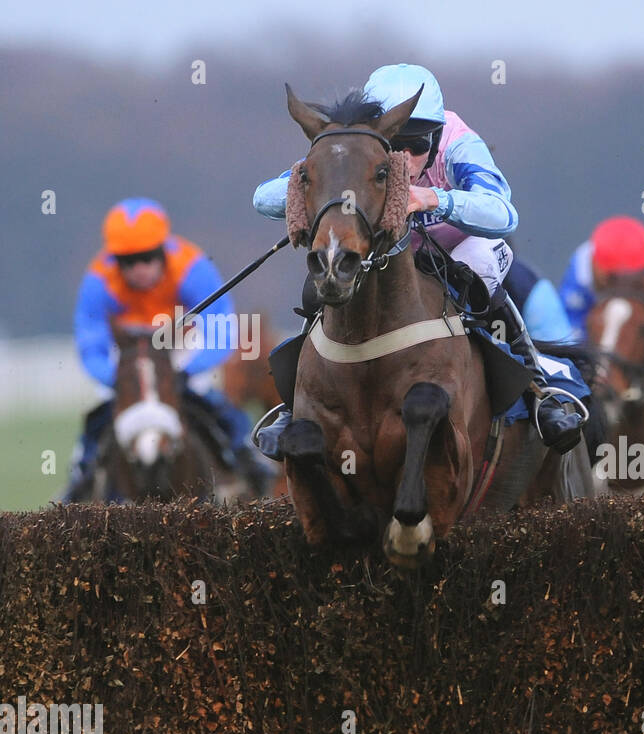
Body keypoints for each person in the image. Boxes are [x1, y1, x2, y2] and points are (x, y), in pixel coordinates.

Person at [252, 63, 583, 456]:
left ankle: (541, 390)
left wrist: (436, 199)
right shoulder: (356, 146)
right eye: (396, 144)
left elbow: (504, 212)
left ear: (438, 134)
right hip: (394, 252)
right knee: (318, 287)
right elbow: (262, 199)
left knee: (476, 278)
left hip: (459, 247)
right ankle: (295, 406)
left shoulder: (460, 143)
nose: (407, 160)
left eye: (419, 144)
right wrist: (306, 187)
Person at [63, 198, 268, 501]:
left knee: (217, 407)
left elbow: (220, 331)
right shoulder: (98, 280)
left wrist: (188, 370)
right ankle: (80, 479)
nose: (139, 269)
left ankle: (249, 463)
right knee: (98, 420)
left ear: (163, 250)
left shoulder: (192, 267)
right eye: (128, 262)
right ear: (114, 260)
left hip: (181, 353)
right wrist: (116, 378)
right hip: (129, 361)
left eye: (147, 257)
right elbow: (91, 346)